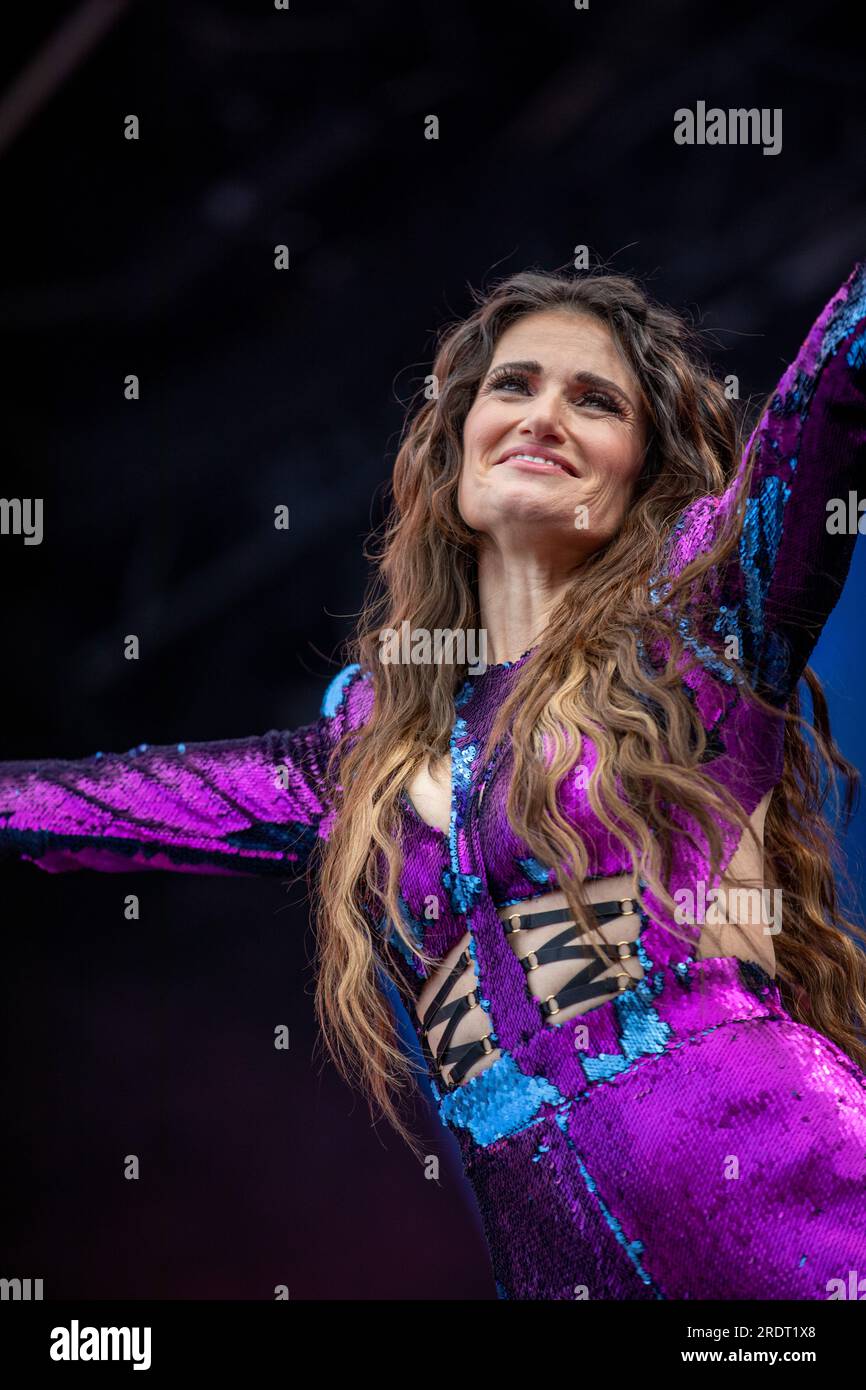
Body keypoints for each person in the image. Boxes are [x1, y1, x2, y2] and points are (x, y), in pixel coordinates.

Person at [3, 261, 866, 1301]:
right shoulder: (349, 768)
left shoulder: (699, 620)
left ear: (639, 469)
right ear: (454, 439)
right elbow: (68, 808)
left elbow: (836, 377)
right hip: (552, 1263)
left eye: (593, 400)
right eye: (512, 385)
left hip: (783, 1190)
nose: (542, 415)